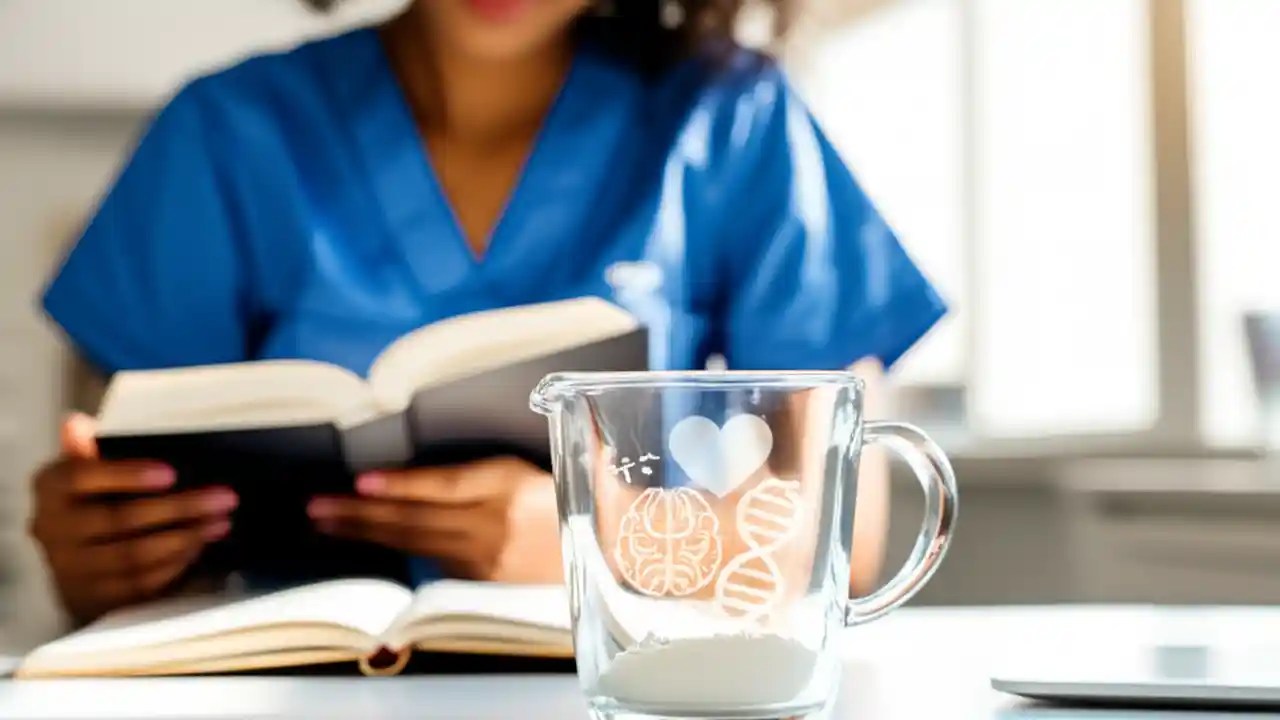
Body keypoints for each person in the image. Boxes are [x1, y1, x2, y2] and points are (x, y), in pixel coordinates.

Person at [30, 0, 946, 626]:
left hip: (617, 690)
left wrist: (599, 540)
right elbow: (111, 559)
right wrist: (93, 555)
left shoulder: (733, 120)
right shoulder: (224, 130)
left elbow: (844, 539)